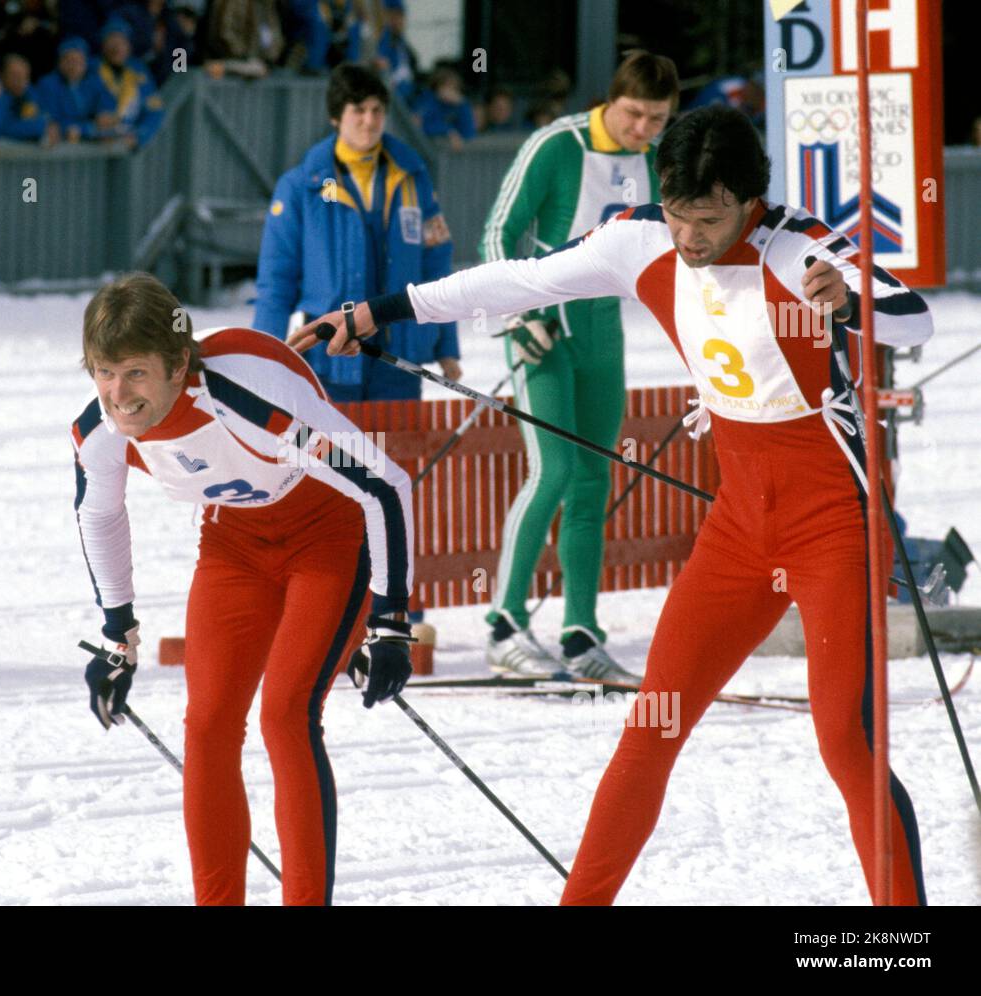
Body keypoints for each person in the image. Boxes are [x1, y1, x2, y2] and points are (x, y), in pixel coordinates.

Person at [294, 103, 932, 906]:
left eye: (707, 218)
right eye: (677, 214)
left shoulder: (801, 244)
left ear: (748, 201)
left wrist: (848, 304)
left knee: (847, 741)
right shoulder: (642, 237)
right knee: (652, 726)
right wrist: (380, 311)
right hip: (738, 527)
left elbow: (915, 315)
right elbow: (520, 280)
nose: (690, 240)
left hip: (832, 522)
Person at [73, 273, 415, 906]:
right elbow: (100, 514)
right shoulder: (100, 426)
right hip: (235, 545)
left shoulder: (246, 396)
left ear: (179, 364)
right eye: (103, 372)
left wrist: (390, 622)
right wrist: (116, 636)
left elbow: (386, 486)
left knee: (286, 715)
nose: (118, 396)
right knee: (206, 724)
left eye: (136, 374)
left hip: (330, 534)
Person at [476, 50, 678, 680]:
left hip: (602, 329)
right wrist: (514, 314)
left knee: (594, 479)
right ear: (609, 100)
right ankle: (504, 625)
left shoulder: (653, 160)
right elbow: (496, 234)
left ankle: (581, 635)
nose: (644, 128)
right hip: (540, 324)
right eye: (635, 114)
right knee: (554, 470)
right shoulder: (556, 145)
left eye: (658, 119)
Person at [254, 64, 459, 402]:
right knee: (333, 455)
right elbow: (277, 280)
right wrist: (263, 355)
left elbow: (436, 266)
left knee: (392, 454)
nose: (369, 120)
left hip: (400, 357)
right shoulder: (300, 187)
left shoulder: (413, 177)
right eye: (358, 110)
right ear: (336, 117)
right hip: (328, 358)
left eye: (377, 110)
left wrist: (446, 346)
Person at [93, 17, 164, 150]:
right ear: (103, 44)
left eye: (121, 41)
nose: (116, 47)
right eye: (111, 41)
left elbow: (155, 111)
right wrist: (92, 124)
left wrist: (139, 136)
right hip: (93, 146)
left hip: (128, 148)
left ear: (129, 45)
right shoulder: (90, 69)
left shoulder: (139, 71)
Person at [35, 36, 117, 142]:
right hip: (62, 140)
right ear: (59, 62)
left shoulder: (93, 81)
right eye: (69, 60)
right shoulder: (48, 84)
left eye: (79, 61)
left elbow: (107, 102)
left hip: (89, 136)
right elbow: (51, 121)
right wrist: (78, 128)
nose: (74, 66)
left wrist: (105, 114)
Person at [413, 66, 477, 150]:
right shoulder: (427, 100)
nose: (450, 92)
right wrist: (448, 131)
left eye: (454, 88)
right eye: (446, 86)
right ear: (437, 87)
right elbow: (419, 125)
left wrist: (463, 105)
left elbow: (469, 133)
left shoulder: (458, 106)